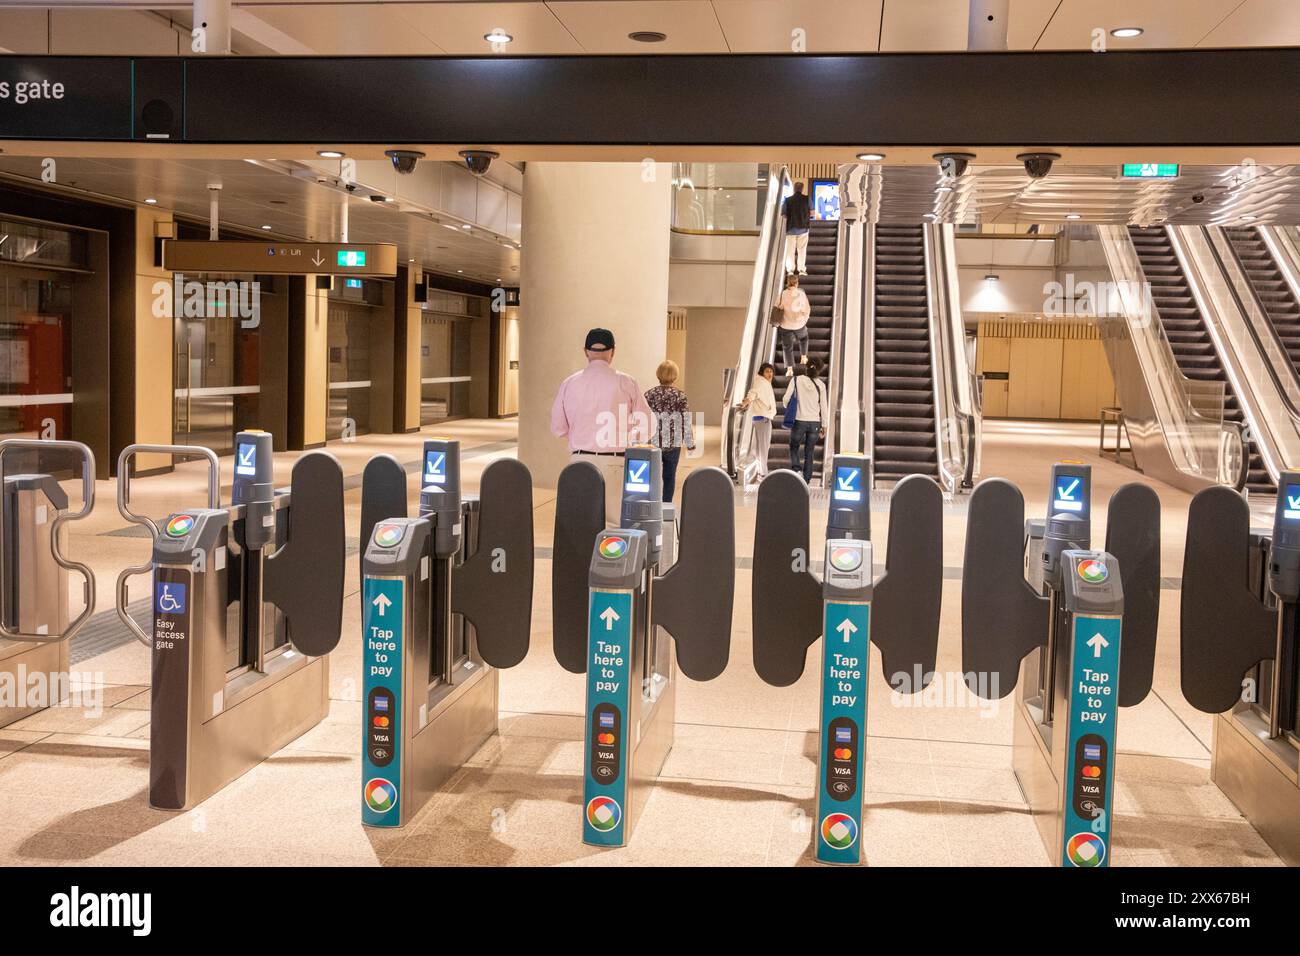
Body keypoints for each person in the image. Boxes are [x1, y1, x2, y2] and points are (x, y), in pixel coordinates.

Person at [551, 327, 653, 524]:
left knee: (580, 523)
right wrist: (631, 437)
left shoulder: (570, 383)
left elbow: (558, 428)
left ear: (585, 351)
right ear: (612, 352)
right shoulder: (626, 382)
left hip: (579, 461)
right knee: (613, 524)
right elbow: (647, 425)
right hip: (616, 462)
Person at [643, 359, 694, 503]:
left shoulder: (649, 395)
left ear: (658, 374)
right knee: (670, 476)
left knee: (652, 476)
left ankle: (651, 503)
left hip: (653, 442)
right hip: (673, 442)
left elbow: (643, 419)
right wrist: (690, 443)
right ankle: (666, 505)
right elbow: (685, 420)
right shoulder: (680, 395)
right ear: (675, 376)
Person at [783, 357, 828, 483]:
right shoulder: (821, 385)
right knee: (809, 451)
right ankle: (806, 480)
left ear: (806, 366)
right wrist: (825, 426)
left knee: (794, 446)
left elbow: (786, 399)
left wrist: (791, 407)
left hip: (799, 421)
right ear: (819, 369)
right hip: (814, 422)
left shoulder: (796, 379)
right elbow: (824, 407)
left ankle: (797, 470)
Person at [737, 362, 776, 479]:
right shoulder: (761, 383)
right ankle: (764, 473)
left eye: (771, 371)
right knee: (764, 447)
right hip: (763, 419)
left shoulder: (764, 382)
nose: (769, 374)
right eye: (767, 371)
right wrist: (746, 401)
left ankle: (761, 471)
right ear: (762, 373)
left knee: (761, 447)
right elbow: (753, 393)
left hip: (760, 418)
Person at [776, 272, 811, 371]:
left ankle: (790, 369)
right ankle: (803, 357)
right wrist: (804, 320)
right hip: (799, 324)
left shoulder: (783, 294)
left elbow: (777, 307)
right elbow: (807, 309)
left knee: (787, 346)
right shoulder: (801, 294)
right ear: (797, 283)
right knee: (804, 338)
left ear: (787, 283)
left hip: (785, 324)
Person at [783, 181, 811, 274]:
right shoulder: (807, 199)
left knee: (790, 250)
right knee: (802, 250)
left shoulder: (787, 200)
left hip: (790, 228)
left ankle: (790, 270)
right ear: (802, 189)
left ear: (794, 189)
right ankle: (801, 269)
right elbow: (813, 213)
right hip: (803, 228)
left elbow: (784, 215)